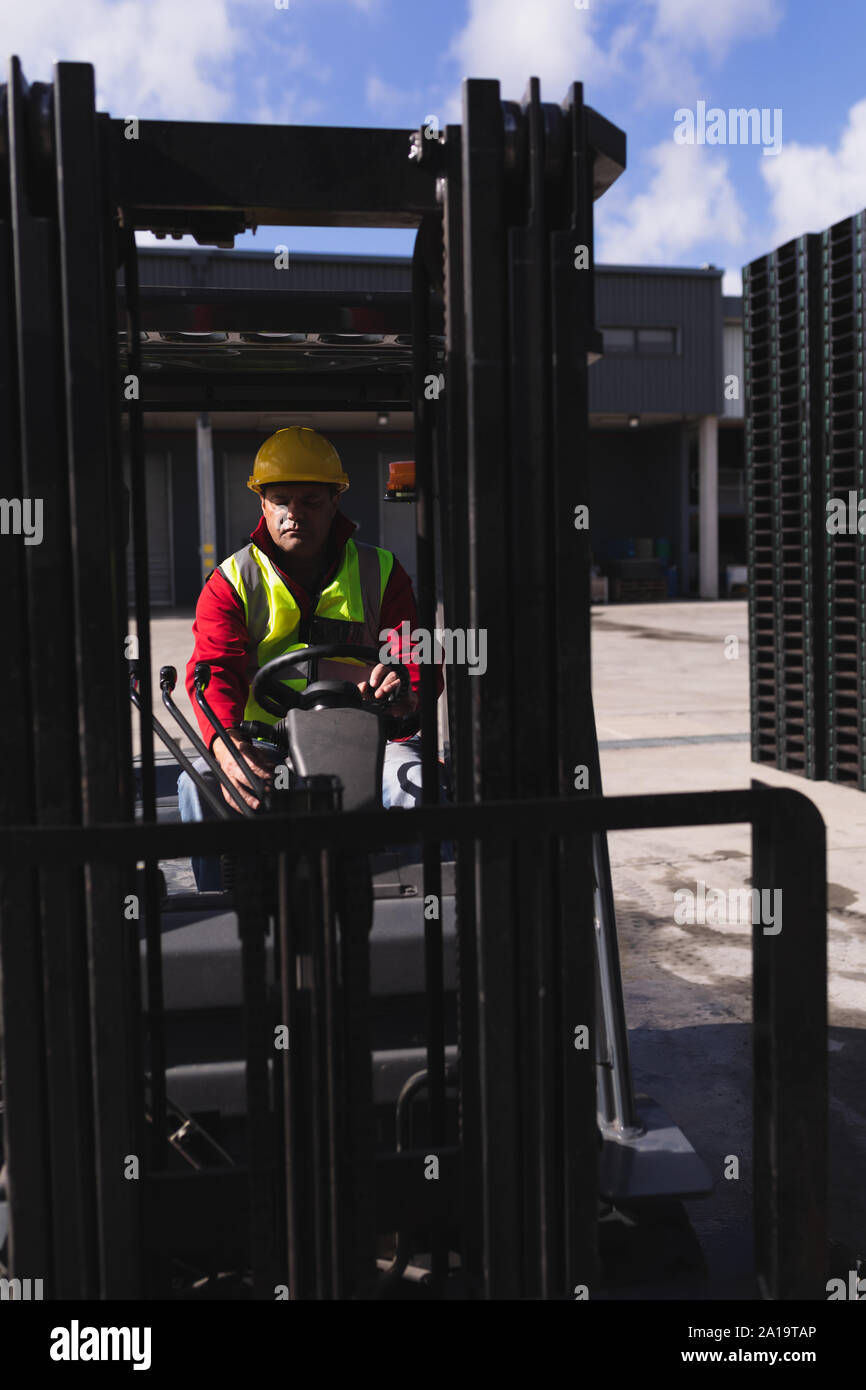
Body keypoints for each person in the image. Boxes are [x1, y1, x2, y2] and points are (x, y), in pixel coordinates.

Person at [178, 425, 443, 889]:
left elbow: (411, 652)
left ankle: (420, 916)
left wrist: (404, 693)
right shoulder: (232, 580)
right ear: (262, 503)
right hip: (263, 739)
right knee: (198, 785)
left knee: (418, 786)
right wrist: (226, 744)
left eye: (310, 501)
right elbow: (213, 670)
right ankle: (222, 915)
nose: (293, 514)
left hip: (367, 733)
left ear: (335, 501)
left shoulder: (380, 571)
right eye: (280, 500)